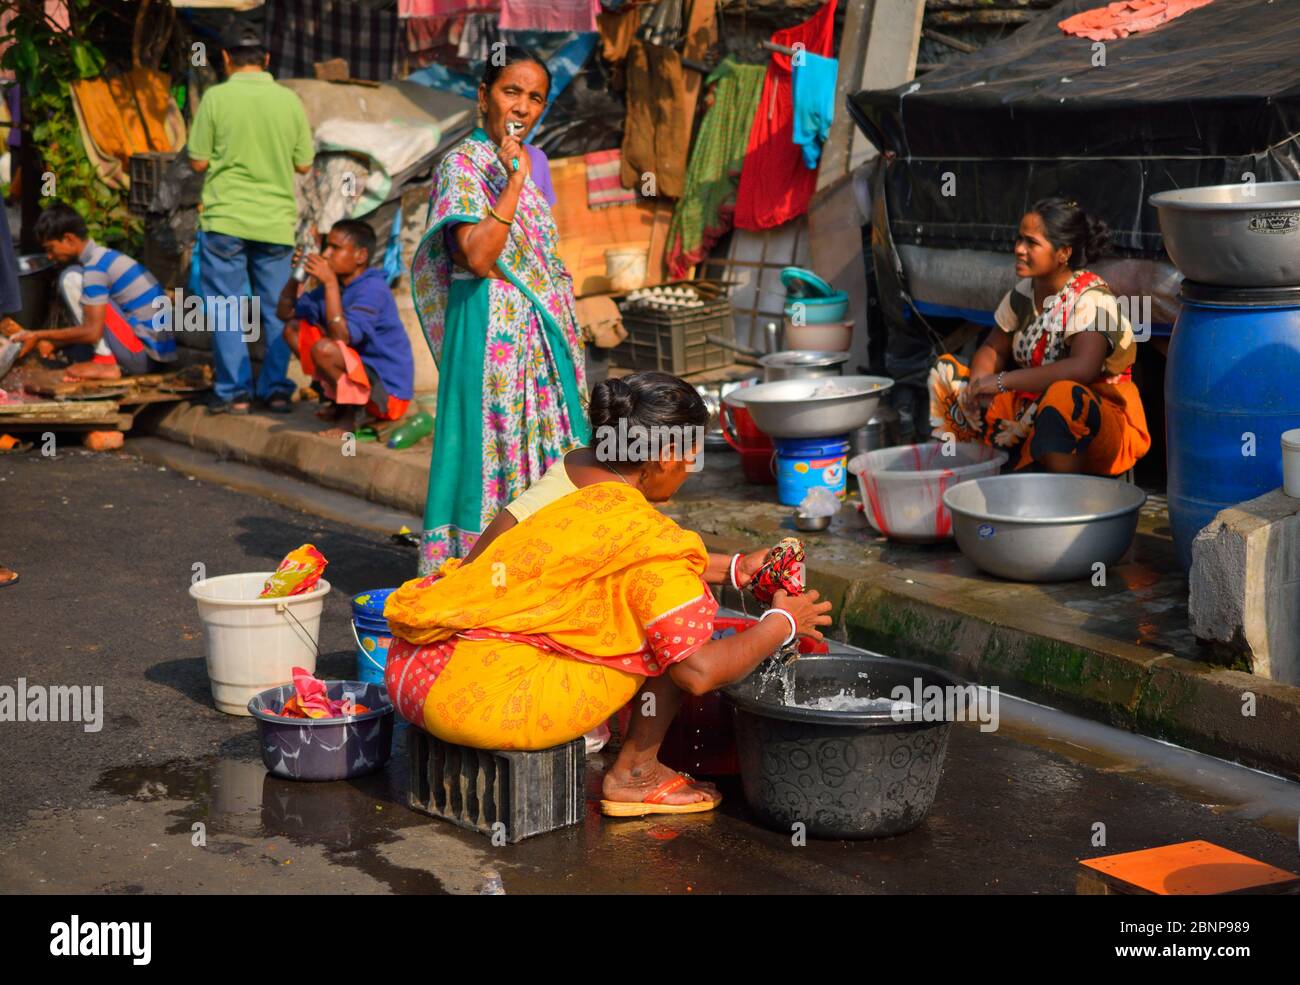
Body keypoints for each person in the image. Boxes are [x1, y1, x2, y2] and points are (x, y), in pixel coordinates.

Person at [382, 372, 834, 815]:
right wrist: (784, 621)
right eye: (690, 459)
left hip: (415, 668)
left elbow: (607, 554)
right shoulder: (646, 538)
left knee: (649, 596)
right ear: (664, 456)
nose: (690, 473)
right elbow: (698, 673)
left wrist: (734, 569)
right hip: (476, 700)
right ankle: (635, 774)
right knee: (673, 621)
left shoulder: (579, 468)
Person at [410, 46, 585, 574]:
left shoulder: (537, 164)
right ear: (484, 95)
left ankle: (543, 568)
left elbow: (540, 253)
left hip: (537, 335)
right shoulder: (462, 165)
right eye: (512, 91)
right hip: (489, 334)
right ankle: (478, 571)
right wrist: (511, 182)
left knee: (549, 451)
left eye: (536, 98)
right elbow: (480, 255)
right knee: (493, 446)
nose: (523, 107)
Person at [929, 197, 1151, 475]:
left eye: (1031, 243)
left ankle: (1061, 503)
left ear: (1063, 253)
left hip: (1099, 424)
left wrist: (1001, 381)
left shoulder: (1096, 299)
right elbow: (992, 348)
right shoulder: (1024, 294)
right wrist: (977, 385)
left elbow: (1083, 368)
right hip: (1032, 406)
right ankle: (966, 478)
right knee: (947, 374)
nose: (1018, 249)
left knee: (1063, 396)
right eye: (1019, 239)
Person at [187, 21, 314, 415]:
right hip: (275, 222)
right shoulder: (289, 101)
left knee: (226, 307)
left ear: (225, 59)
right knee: (278, 309)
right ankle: (275, 389)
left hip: (225, 220)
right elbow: (305, 165)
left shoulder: (215, 99)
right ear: (267, 60)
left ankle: (233, 392)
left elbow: (198, 162)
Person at [276, 220, 415, 436]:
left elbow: (343, 338)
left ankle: (351, 415)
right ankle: (340, 403)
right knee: (293, 330)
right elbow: (285, 314)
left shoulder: (373, 289)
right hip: (361, 378)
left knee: (325, 349)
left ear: (360, 256)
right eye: (326, 247)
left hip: (388, 395)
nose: (327, 253)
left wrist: (330, 283)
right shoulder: (335, 288)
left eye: (336, 248)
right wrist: (297, 276)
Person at [13, 204, 174, 380]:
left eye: (51, 248)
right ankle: (103, 358)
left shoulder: (95, 269)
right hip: (154, 355)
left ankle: (105, 361)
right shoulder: (104, 257)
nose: (50, 256)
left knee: (70, 277)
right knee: (73, 349)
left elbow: (92, 332)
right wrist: (56, 343)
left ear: (69, 239)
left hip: (142, 356)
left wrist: (38, 335)